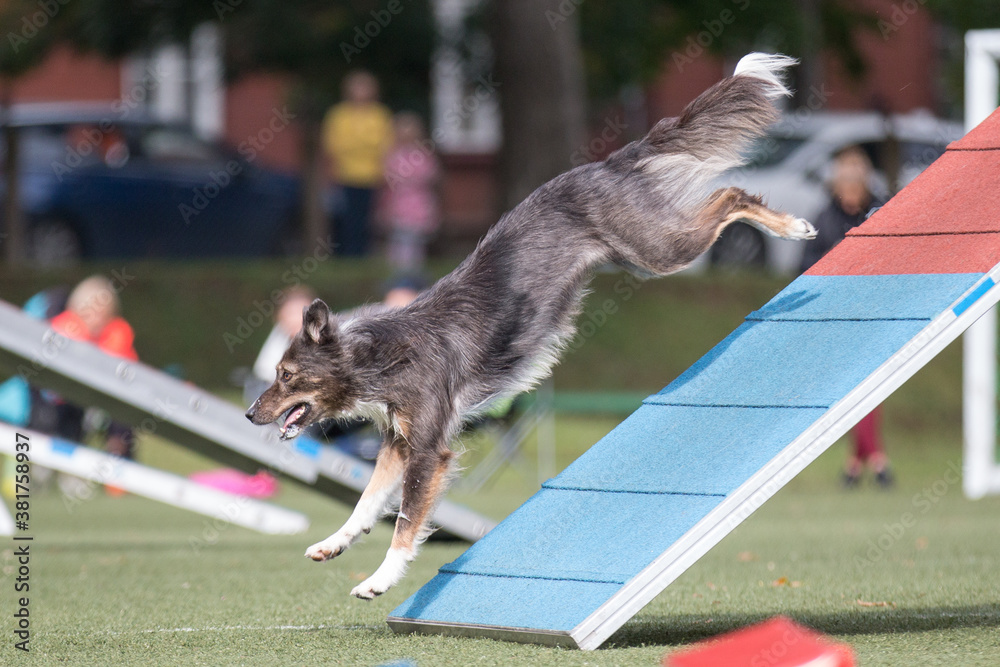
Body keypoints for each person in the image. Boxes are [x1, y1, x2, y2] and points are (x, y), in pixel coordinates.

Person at [800, 147, 893, 488]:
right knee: (856, 388)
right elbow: (805, 269)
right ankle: (874, 460)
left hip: (875, 312)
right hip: (837, 316)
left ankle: (858, 463)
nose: (851, 190)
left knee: (871, 387)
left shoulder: (879, 212)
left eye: (857, 183)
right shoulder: (823, 219)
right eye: (846, 183)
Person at [47, 276, 139, 471]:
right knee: (65, 415)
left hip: (106, 399)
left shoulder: (118, 333)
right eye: (89, 315)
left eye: (102, 315)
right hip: (69, 398)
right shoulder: (64, 330)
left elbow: (129, 372)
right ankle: (66, 467)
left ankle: (119, 465)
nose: (96, 320)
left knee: (123, 419)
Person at [322, 70, 394, 257]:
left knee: (367, 219)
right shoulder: (338, 115)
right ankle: (343, 255)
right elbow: (332, 145)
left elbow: (387, 146)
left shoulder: (380, 115)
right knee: (344, 218)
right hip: (344, 175)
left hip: (372, 176)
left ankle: (362, 254)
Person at [381, 112, 441, 273]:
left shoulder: (422, 153)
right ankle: (399, 271)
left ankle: (413, 271)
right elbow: (388, 174)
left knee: (415, 240)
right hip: (398, 203)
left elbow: (429, 173)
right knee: (399, 238)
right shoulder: (393, 153)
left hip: (417, 204)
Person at [245, 286, 317, 406]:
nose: (296, 320)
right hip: (266, 386)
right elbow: (269, 378)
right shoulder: (280, 342)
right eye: (291, 314)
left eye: (300, 314)